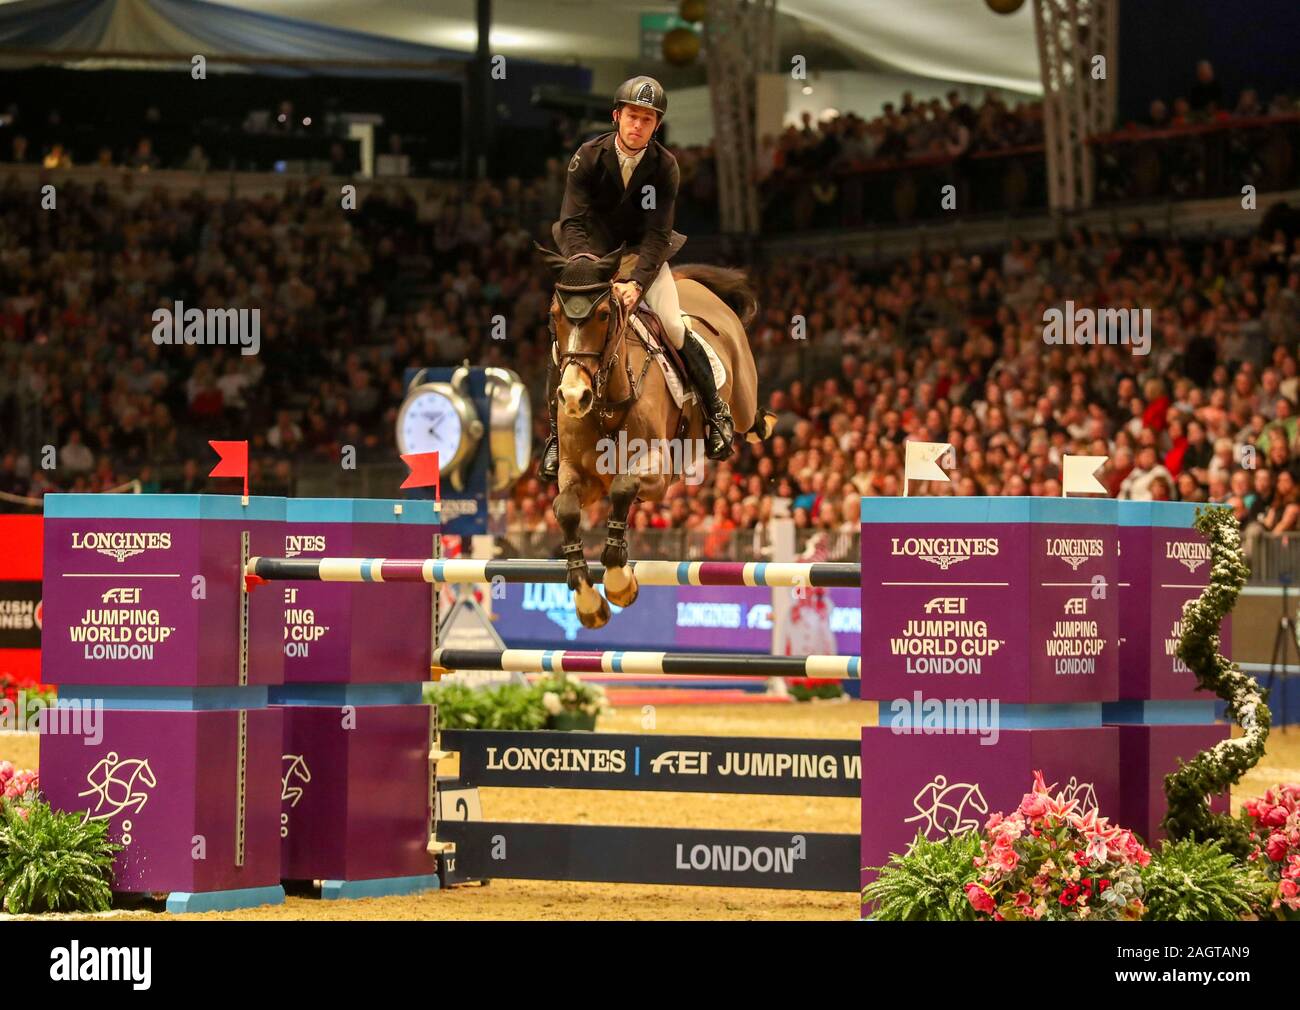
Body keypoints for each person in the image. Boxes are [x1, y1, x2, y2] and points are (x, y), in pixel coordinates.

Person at [538, 75, 734, 480]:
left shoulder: (665, 167)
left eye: (648, 119)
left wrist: (636, 284)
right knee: (568, 336)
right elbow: (572, 220)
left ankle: (716, 412)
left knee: (675, 328)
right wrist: (586, 264)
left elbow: (658, 234)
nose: (638, 125)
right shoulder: (587, 157)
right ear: (617, 116)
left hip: (642, 257)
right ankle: (556, 436)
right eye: (632, 116)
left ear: (655, 125)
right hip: (590, 256)